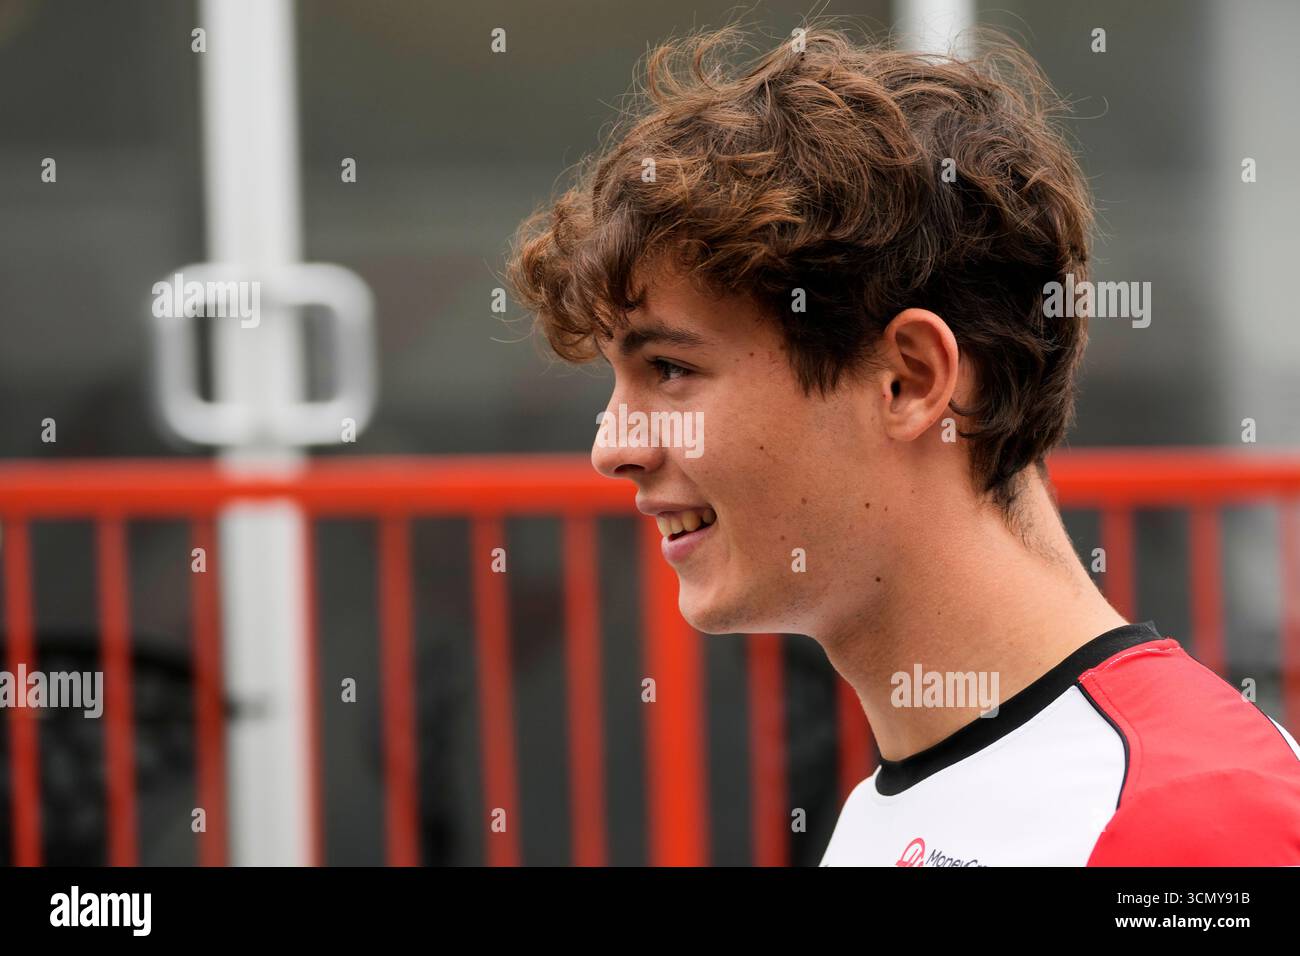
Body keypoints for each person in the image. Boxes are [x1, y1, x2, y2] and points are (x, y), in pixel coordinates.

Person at [505, 20, 1300, 865]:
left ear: (912, 381)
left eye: (669, 368)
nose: (612, 447)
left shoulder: (1199, 819)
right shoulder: (890, 810)